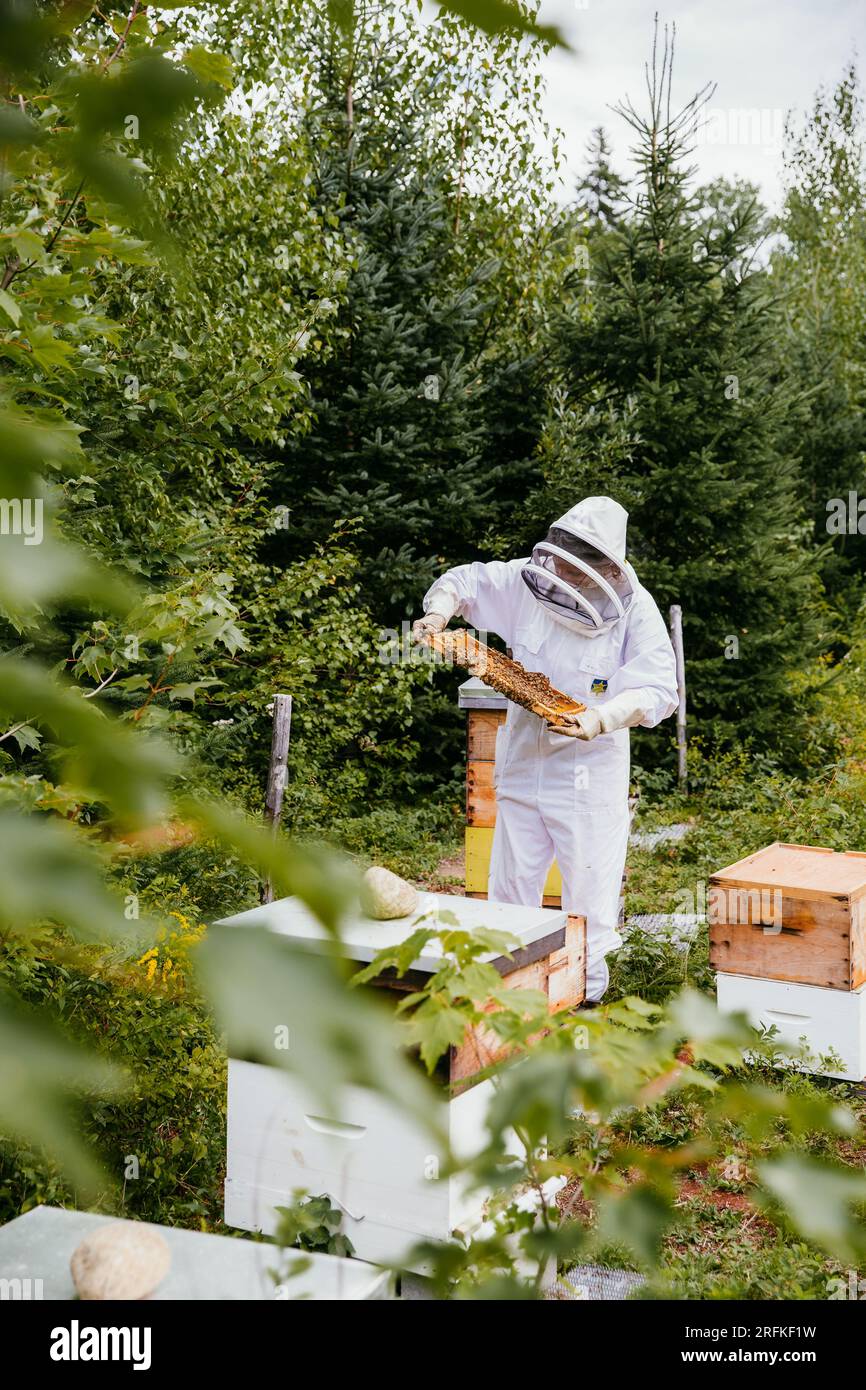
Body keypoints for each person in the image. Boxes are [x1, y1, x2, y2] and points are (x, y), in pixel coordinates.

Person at [413, 496, 678, 1001]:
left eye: (584, 562)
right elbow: (466, 581)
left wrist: (601, 718)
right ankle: (510, 998)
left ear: (608, 564)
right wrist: (437, 613)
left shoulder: (634, 609)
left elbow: (659, 689)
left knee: (589, 901)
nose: (568, 572)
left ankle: (585, 1002)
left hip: (589, 777)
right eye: (565, 556)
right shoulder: (530, 580)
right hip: (523, 768)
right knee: (510, 892)